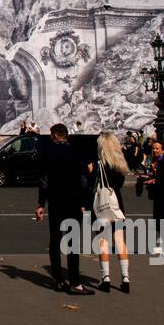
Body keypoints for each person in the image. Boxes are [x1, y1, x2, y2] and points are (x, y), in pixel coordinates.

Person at [35, 124, 94, 295]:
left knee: (55, 240)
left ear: (54, 135)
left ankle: (58, 280)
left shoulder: (49, 154)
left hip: (55, 202)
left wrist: (40, 204)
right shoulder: (76, 153)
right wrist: (84, 203)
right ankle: (75, 283)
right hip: (73, 202)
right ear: (66, 135)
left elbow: (44, 181)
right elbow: (84, 181)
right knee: (72, 243)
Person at [90, 131, 131, 292]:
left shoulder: (98, 163)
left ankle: (105, 277)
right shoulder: (118, 163)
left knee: (103, 241)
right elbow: (119, 184)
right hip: (116, 204)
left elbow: (92, 184)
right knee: (120, 241)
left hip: (101, 205)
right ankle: (125, 277)